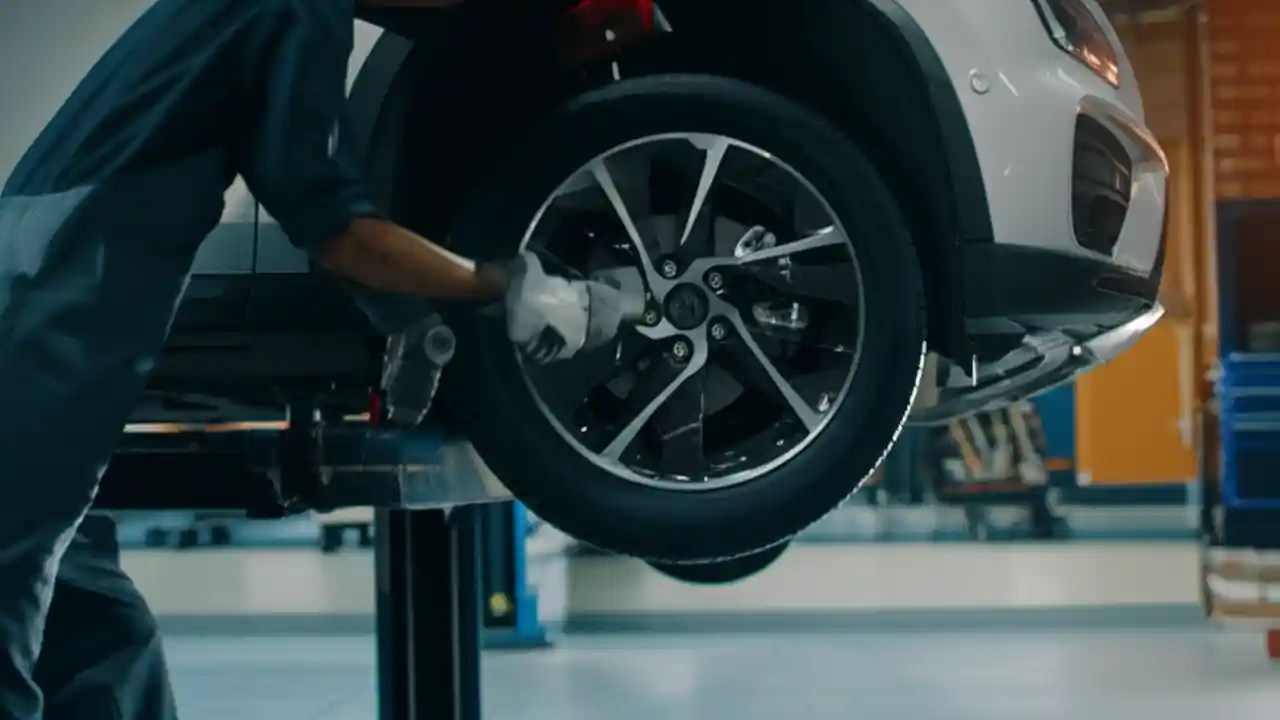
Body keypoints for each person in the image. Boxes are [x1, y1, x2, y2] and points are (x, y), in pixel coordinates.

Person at [0, 0, 624, 717]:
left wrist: (415, 324)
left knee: (97, 632)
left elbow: (330, 227)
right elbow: (336, 234)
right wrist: (499, 286)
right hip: (46, 311)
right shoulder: (297, 12)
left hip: (41, 286)